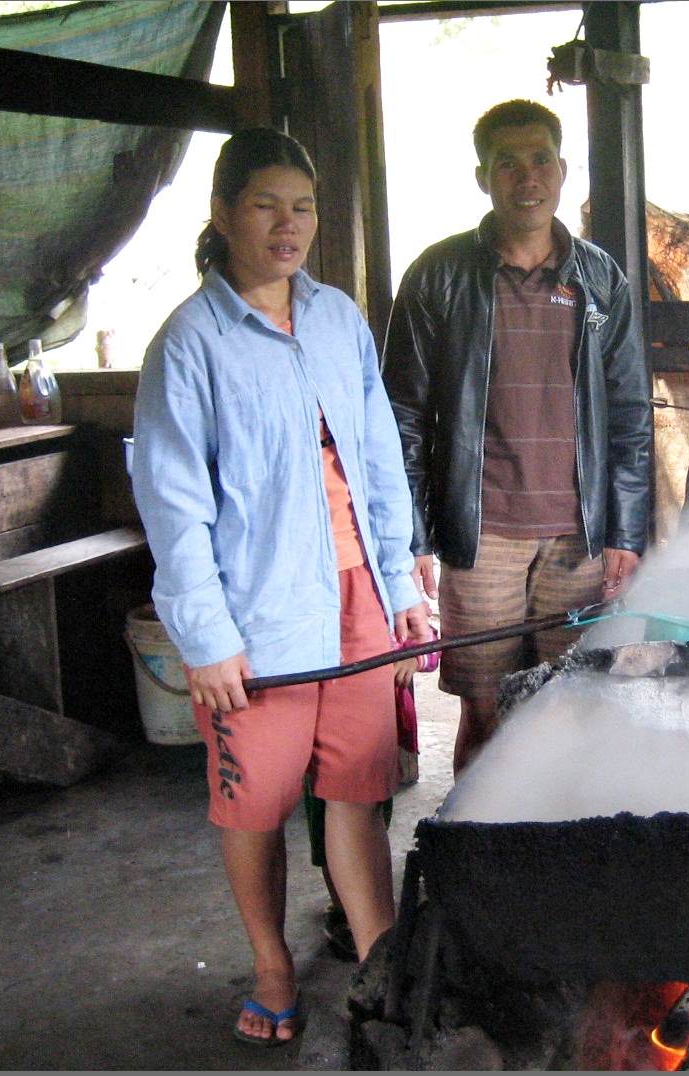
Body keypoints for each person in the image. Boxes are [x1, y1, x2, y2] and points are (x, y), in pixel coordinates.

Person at [132, 128, 432, 1046]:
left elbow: (378, 457)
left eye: (302, 206)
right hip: (257, 619)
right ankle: (272, 967)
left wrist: (399, 581)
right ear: (224, 216)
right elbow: (175, 506)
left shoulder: (338, 318)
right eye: (266, 205)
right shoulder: (190, 343)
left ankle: (378, 968)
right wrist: (206, 637)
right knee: (254, 802)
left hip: (358, 603)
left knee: (358, 791)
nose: (288, 224)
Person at [381, 98, 653, 773]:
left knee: (574, 701)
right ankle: (477, 859)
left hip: (579, 539)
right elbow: (401, 416)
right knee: (485, 708)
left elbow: (629, 412)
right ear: (484, 177)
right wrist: (414, 536)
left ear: (562, 171)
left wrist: (627, 531)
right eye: (508, 164)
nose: (526, 177)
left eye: (540, 161)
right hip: (483, 539)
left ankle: (560, 851)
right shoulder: (440, 276)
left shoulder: (599, 278)